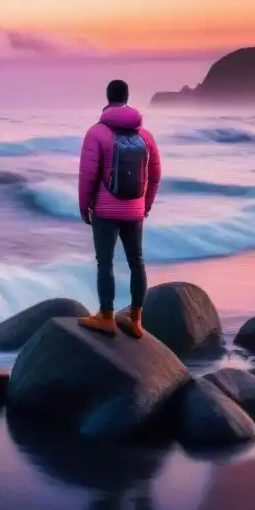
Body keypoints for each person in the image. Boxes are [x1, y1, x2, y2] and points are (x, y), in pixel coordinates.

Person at [77, 79, 162, 339]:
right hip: (135, 210)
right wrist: (144, 206)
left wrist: (84, 208)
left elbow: (88, 176)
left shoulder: (96, 133)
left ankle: (106, 316)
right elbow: (156, 174)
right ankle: (136, 318)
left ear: (107, 97)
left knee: (105, 262)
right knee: (137, 262)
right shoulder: (144, 135)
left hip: (105, 210)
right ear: (127, 97)